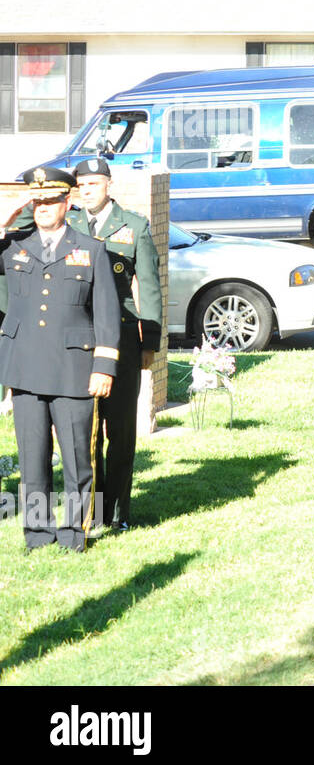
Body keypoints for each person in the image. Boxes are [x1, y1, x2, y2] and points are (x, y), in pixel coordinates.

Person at [0, 167, 119, 551]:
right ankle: (37, 533)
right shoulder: (14, 247)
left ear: (67, 203)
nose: (43, 208)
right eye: (38, 201)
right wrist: (8, 214)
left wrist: (104, 367)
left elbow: (105, 313)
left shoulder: (92, 249)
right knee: (32, 460)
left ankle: (74, 533)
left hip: (74, 370)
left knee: (77, 459)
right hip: (26, 368)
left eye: (51, 201)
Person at [68, 158, 163, 531]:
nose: (87, 190)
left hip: (122, 335)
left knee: (120, 430)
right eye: (81, 185)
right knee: (84, 427)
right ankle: (94, 508)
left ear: (109, 184)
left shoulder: (134, 226)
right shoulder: (69, 224)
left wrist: (149, 343)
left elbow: (151, 288)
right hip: (80, 337)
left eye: (93, 183)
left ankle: (119, 512)